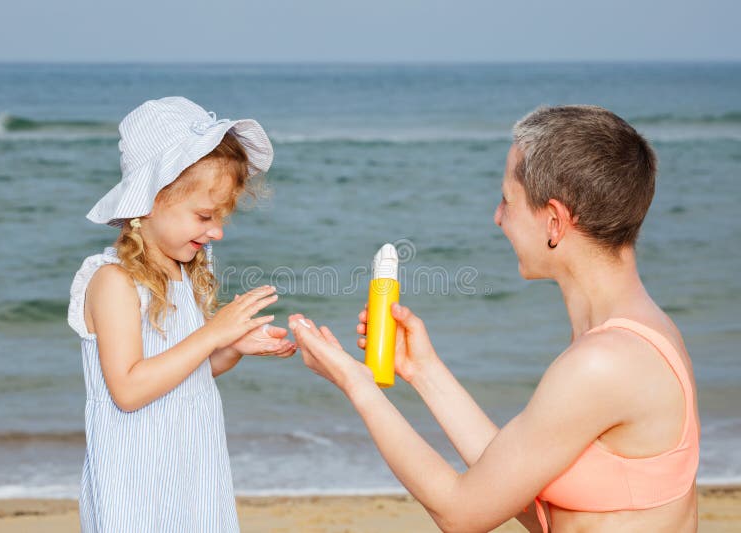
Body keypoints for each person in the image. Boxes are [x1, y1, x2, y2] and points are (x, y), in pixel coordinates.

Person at [288, 105, 699, 532]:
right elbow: (508, 480)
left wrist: (358, 385)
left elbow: (461, 513)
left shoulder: (605, 362)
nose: (497, 216)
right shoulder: (637, 333)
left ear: (554, 222)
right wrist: (424, 372)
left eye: (507, 200)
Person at [67, 96, 296, 532]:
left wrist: (231, 348)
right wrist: (212, 335)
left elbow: (189, 371)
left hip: (191, 466)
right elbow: (130, 389)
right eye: (205, 216)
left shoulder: (185, 272)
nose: (217, 231)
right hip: (136, 477)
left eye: (222, 217)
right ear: (151, 200)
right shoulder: (113, 282)